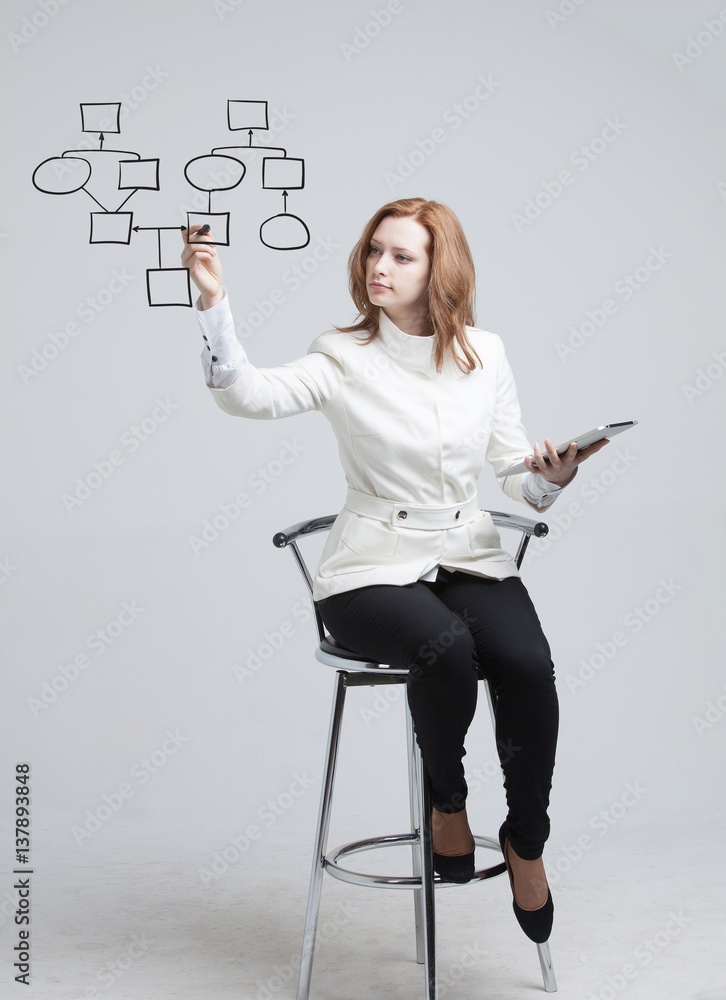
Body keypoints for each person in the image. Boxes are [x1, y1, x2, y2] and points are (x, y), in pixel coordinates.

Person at [180, 198, 608, 945]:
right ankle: (448, 803)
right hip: (368, 567)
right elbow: (248, 396)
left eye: (401, 256)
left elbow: (517, 480)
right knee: (449, 649)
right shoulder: (342, 354)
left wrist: (554, 476)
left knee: (528, 664)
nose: (379, 266)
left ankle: (527, 838)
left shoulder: (486, 353)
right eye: (375, 250)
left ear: (438, 269)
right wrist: (214, 305)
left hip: (466, 550)